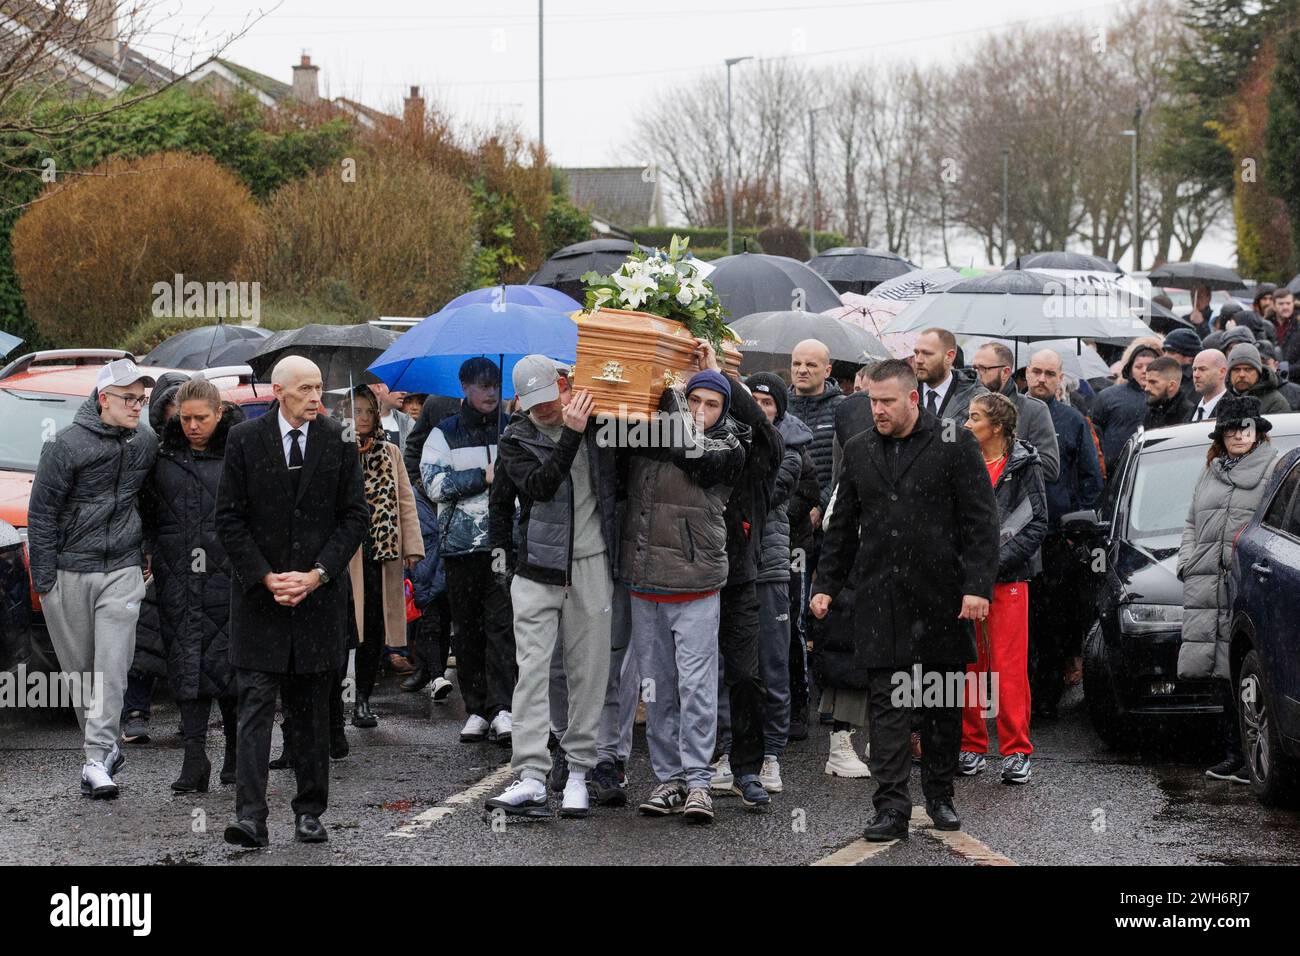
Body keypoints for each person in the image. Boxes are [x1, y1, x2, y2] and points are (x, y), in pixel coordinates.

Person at [811, 360, 999, 841]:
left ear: (913, 398)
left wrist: (977, 587)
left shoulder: (955, 442)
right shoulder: (858, 448)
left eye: (887, 401)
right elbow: (842, 527)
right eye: (873, 401)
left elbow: (981, 523)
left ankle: (939, 795)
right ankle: (891, 808)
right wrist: (825, 585)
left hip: (942, 599)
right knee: (888, 708)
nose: (878, 410)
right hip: (879, 599)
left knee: (939, 706)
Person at [216, 356, 368, 847]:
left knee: (310, 712)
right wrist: (264, 576)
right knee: (255, 707)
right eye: (305, 389)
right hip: (261, 601)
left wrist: (318, 574)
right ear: (278, 391)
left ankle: (309, 811)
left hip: (318, 600)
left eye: (319, 387)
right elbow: (229, 520)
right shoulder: (243, 440)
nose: (315, 398)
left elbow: (353, 517)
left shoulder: (338, 439)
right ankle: (250, 818)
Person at [484, 356, 618, 819]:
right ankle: (532, 776)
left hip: (591, 562)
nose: (543, 410)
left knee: (588, 671)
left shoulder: (601, 422)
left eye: (548, 399)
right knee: (533, 674)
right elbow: (532, 490)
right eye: (532, 403)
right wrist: (502, 566)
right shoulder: (515, 437)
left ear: (564, 385)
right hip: (536, 568)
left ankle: (579, 772)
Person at [29, 358, 158, 799]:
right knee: (81, 674)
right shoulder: (64, 446)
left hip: (122, 569)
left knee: (112, 666)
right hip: (68, 572)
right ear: (104, 399)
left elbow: (155, 497)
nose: (138, 405)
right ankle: (102, 753)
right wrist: (45, 583)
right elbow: (41, 515)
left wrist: (149, 551)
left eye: (142, 398)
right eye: (129, 398)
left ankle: (94, 760)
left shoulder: (145, 441)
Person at [627, 363, 746, 824]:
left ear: (724, 409)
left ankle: (699, 781)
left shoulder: (729, 444)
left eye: (711, 403)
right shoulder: (650, 432)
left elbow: (691, 452)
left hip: (695, 582)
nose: (700, 410)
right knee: (657, 688)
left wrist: (675, 390)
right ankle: (668, 777)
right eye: (693, 399)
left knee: (696, 686)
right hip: (643, 579)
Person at [140, 379, 246, 792]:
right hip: (177, 574)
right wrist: (150, 551)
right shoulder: (162, 455)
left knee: (231, 665)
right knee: (187, 664)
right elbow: (147, 511)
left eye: (201, 418)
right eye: (185, 418)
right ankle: (193, 757)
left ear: (219, 413)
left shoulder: (239, 451)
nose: (192, 426)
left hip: (230, 573)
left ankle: (236, 753)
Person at [1177, 397, 1280, 784]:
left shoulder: (1273, 470)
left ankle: (1252, 756)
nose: (1238, 434)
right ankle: (1233, 754)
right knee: (1222, 673)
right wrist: (1187, 561)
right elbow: (1191, 521)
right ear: (1220, 434)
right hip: (1207, 583)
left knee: (1248, 671)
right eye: (1231, 428)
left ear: (1259, 431)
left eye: (1246, 427)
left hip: (1248, 583)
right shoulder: (1212, 469)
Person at [718, 372, 808, 795]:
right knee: (731, 670)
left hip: (770, 569)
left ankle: (770, 752)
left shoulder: (788, 453)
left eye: (768, 403)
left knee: (770, 666)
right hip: (731, 570)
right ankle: (728, 751)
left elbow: (763, 493)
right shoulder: (728, 444)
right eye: (753, 401)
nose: (761, 409)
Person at [421, 358, 516, 745]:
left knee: (501, 628)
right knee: (468, 630)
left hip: (503, 544)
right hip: (460, 548)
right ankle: (476, 708)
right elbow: (433, 484)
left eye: (494, 384)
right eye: (481, 385)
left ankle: (502, 708)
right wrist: (482, 476)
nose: (490, 392)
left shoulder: (511, 430)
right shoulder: (444, 434)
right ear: (464, 387)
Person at [958, 394, 1047, 784]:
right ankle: (971, 744)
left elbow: (1037, 524)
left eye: (974, 418)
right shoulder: (961, 459)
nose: (965, 423)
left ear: (996, 427)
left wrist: (991, 565)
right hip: (965, 582)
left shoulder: (1025, 464)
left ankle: (1016, 751)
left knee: (1009, 667)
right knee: (969, 664)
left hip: (1009, 581)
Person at [708, 352, 782, 811]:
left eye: (715, 402)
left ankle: (746, 768)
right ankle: (693, 768)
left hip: (739, 578)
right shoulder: (686, 445)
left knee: (744, 675)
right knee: (691, 679)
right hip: (687, 578)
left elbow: (770, 437)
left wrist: (726, 376)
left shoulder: (754, 458)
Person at [1024, 350, 1103, 720]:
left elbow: (1091, 478)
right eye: (1036, 372)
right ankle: (1020, 694)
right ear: (1026, 373)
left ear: (1060, 379)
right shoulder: (1015, 414)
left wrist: (1076, 530)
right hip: (1017, 533)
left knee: (1053, 623)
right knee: (1021, 623)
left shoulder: (1073, 420)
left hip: (1056, 537)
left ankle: (1045, 698)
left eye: (1049, 373)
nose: (1041, 379)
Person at [346, 385, 424, 729]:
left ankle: (362, 698)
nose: (362, 418)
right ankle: (342, 700)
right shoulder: (336, 449)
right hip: (344, 554)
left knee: (373, 629)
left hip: (381, 551)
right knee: (347, 628)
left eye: (367, 411)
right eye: (355, 411)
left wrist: (412, 547)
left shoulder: (390, 451)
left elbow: (404, 499)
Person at [120, 370, 190, 746]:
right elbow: (138, 504)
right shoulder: (148, 450)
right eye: (174, 406)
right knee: (142, 634)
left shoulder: (206, 447)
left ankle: (190, 712)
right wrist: (146, 547)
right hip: (155, 554)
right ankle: (135, 711)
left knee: (188, 638)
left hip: (193, 557)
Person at [971, 342, 1060, 482]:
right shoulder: (965, 405)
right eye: (974, 368)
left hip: (1010, 500)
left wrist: (1000, 452)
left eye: (984, 369)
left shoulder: (1034, 410)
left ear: (1005, 373)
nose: (977, 375)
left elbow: (1049, 468)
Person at [401, 481, 453, 699]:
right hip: (425, 573)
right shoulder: (412, 498)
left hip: (444, 572)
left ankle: (430, 673)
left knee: (441, 624)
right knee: (430, 625)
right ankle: (435, 676)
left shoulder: (447, 493)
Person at [787, 339, 845, 531]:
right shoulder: (777, 406)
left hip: (828, 521)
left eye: (811, 364)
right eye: (797, 363)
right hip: (781, 516)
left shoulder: (843, 409)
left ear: (827, 371)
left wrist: (820, 505)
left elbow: (847, 467)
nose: (802, 370)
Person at [1092, 341, 1159, 471]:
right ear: (1130, 369)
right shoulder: (1108, 396)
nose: (1144, 371)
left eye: (1150, 366)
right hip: (1114, 468)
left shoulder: (1167, 398)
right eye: (1138, 366)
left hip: (1152, 465)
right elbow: (1095, 433)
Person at [913, 327, 987, 424]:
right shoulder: (904, 390)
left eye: (927, 354)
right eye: (916, 353)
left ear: (949, 356)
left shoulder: (977, 397)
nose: (918, 360)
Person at [1227, 344, 1291, 415]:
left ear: (1258, 372)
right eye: (1236, 369)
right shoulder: (1222, 398)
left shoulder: (1275, 402)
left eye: (1248, 369)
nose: (1242, 375)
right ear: (1229, 373)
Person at [1143, 356, 1195, 429]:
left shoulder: (1189, 413)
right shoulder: (1153, 409)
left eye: (1153, 382)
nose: (1146, 388)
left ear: (1171, 385)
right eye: (1147, 381)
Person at [1161, 328, 1202, 402]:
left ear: (1189, 358)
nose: (1165, 356)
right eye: (1165, 351)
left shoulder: (1197, 381)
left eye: (1171, 352)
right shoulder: (1162, 374)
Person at [1190, 349, 1229, 422]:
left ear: (1222, 372)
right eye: (1194, 369)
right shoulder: (1190, 410)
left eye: (1202, 369)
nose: (1196, 375)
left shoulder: (1236, 411)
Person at [1273, 287, 1299, 364]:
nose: (1285, 307)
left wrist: (1282, 370)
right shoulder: (1265, 325)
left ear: (1293, 304)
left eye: (1288, 303)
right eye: (1281, 304)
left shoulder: (1298, 325)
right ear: (1274, 306)